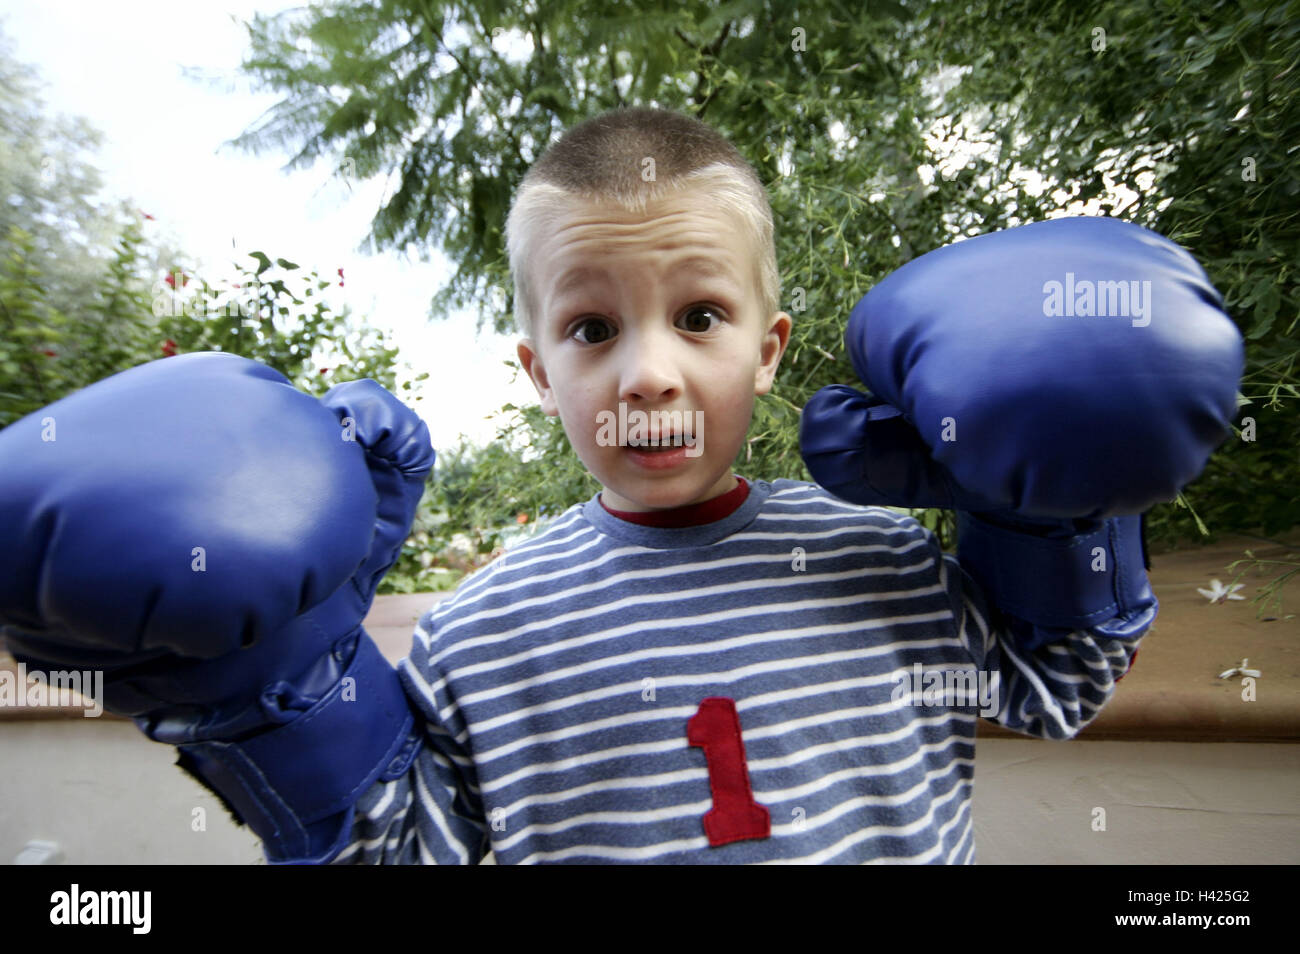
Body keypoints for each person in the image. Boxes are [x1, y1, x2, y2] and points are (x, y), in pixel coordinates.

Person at [0, 106, 1243, 864]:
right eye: (594, 330)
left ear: (768, 347)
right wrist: (260, 683)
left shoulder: (882, 561)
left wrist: (1054, 507)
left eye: (698, 316)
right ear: (538, 370)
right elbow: (394, 855)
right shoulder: (482, 630)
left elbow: (1053, 688)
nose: (647, 373)